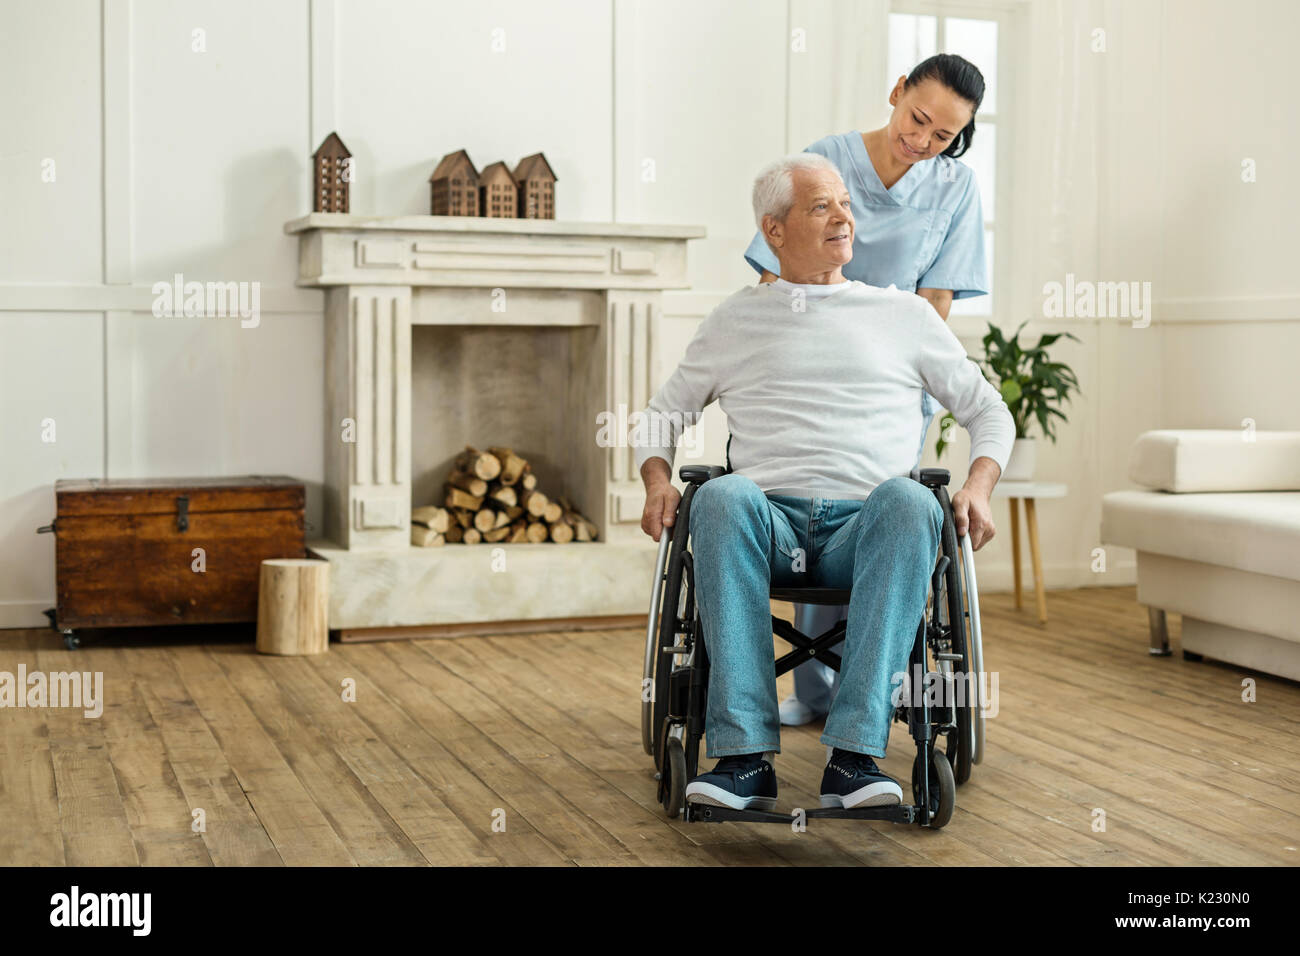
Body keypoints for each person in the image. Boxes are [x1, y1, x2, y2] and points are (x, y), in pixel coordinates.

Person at [632, 153, 1011, 811]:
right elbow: (662, 416)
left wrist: (977, 487)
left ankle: (856, 761)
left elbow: (988, 412)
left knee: (910, 498)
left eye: (844, 204)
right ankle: (744, 761)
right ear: (773, 230)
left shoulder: (904, 316)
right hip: (765, 524)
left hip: (868, 525)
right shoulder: (734, 319)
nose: (844, 218)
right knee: (719, 495)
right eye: (821, 207)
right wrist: (657, 481)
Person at [742, 53, 990, 726]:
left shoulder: (955, 187)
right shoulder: (825, 160)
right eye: (918, 118)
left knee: (877, 509)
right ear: (897, 92)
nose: (923, 140)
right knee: (809, 498)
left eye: (943, 135)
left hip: (894, 377)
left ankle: (870, 688)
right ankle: (815, 689)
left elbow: (936, 296)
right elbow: (773, 274)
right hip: (806, 363)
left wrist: (899, 362)